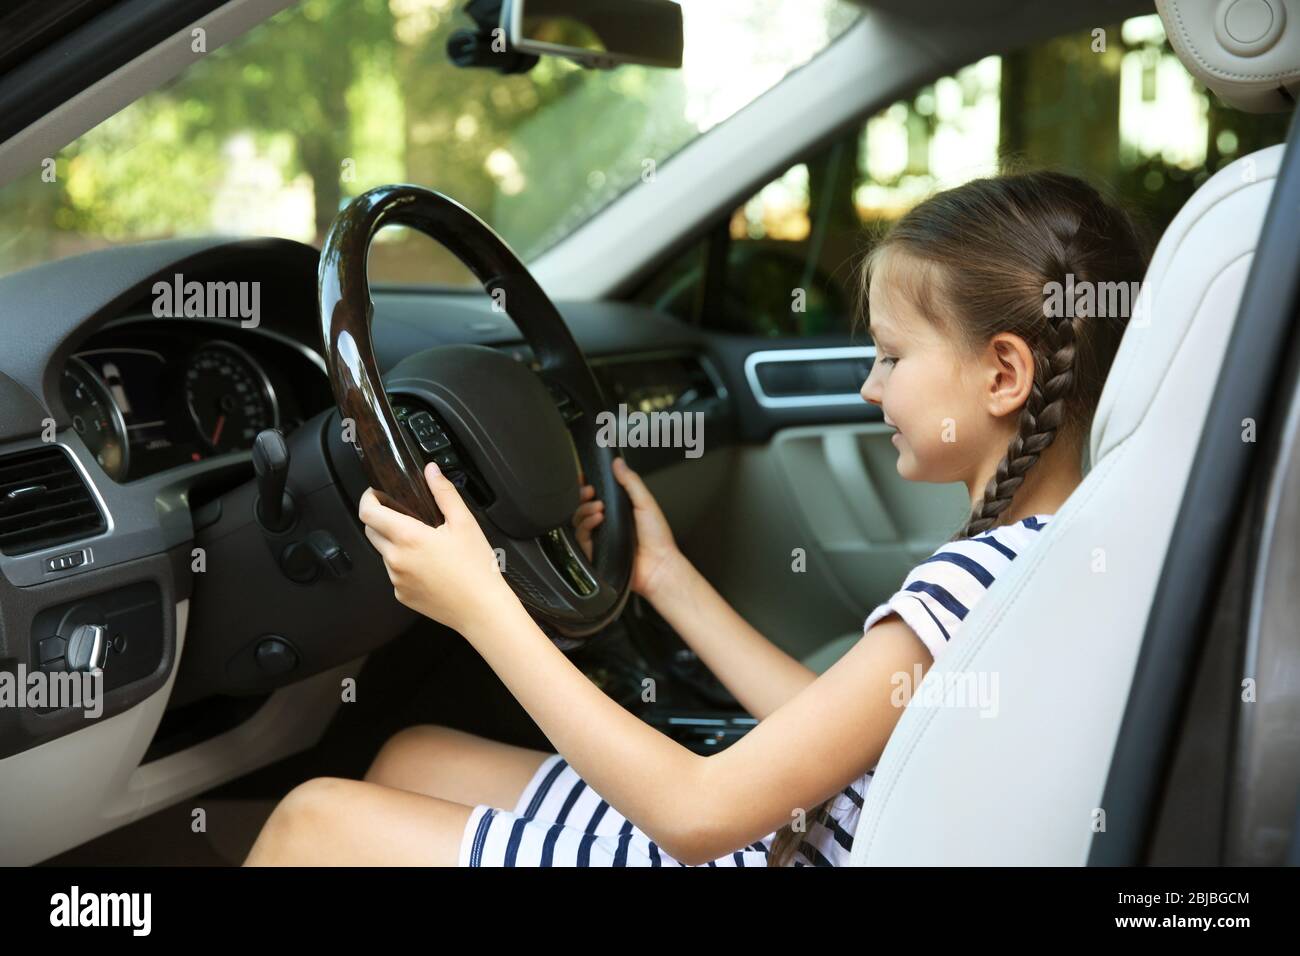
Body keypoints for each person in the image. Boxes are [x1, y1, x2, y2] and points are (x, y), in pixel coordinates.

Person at [243, 169, 1150, 866]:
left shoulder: (970, 579)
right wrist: (665, 578)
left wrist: (482, 605)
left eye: (892, 356)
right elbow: (849, 731)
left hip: (739, 847)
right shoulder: (1046, 552)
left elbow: (698, 816)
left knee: (313, 822)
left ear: (1002, 375)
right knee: (415, 753)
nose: (870, 386)